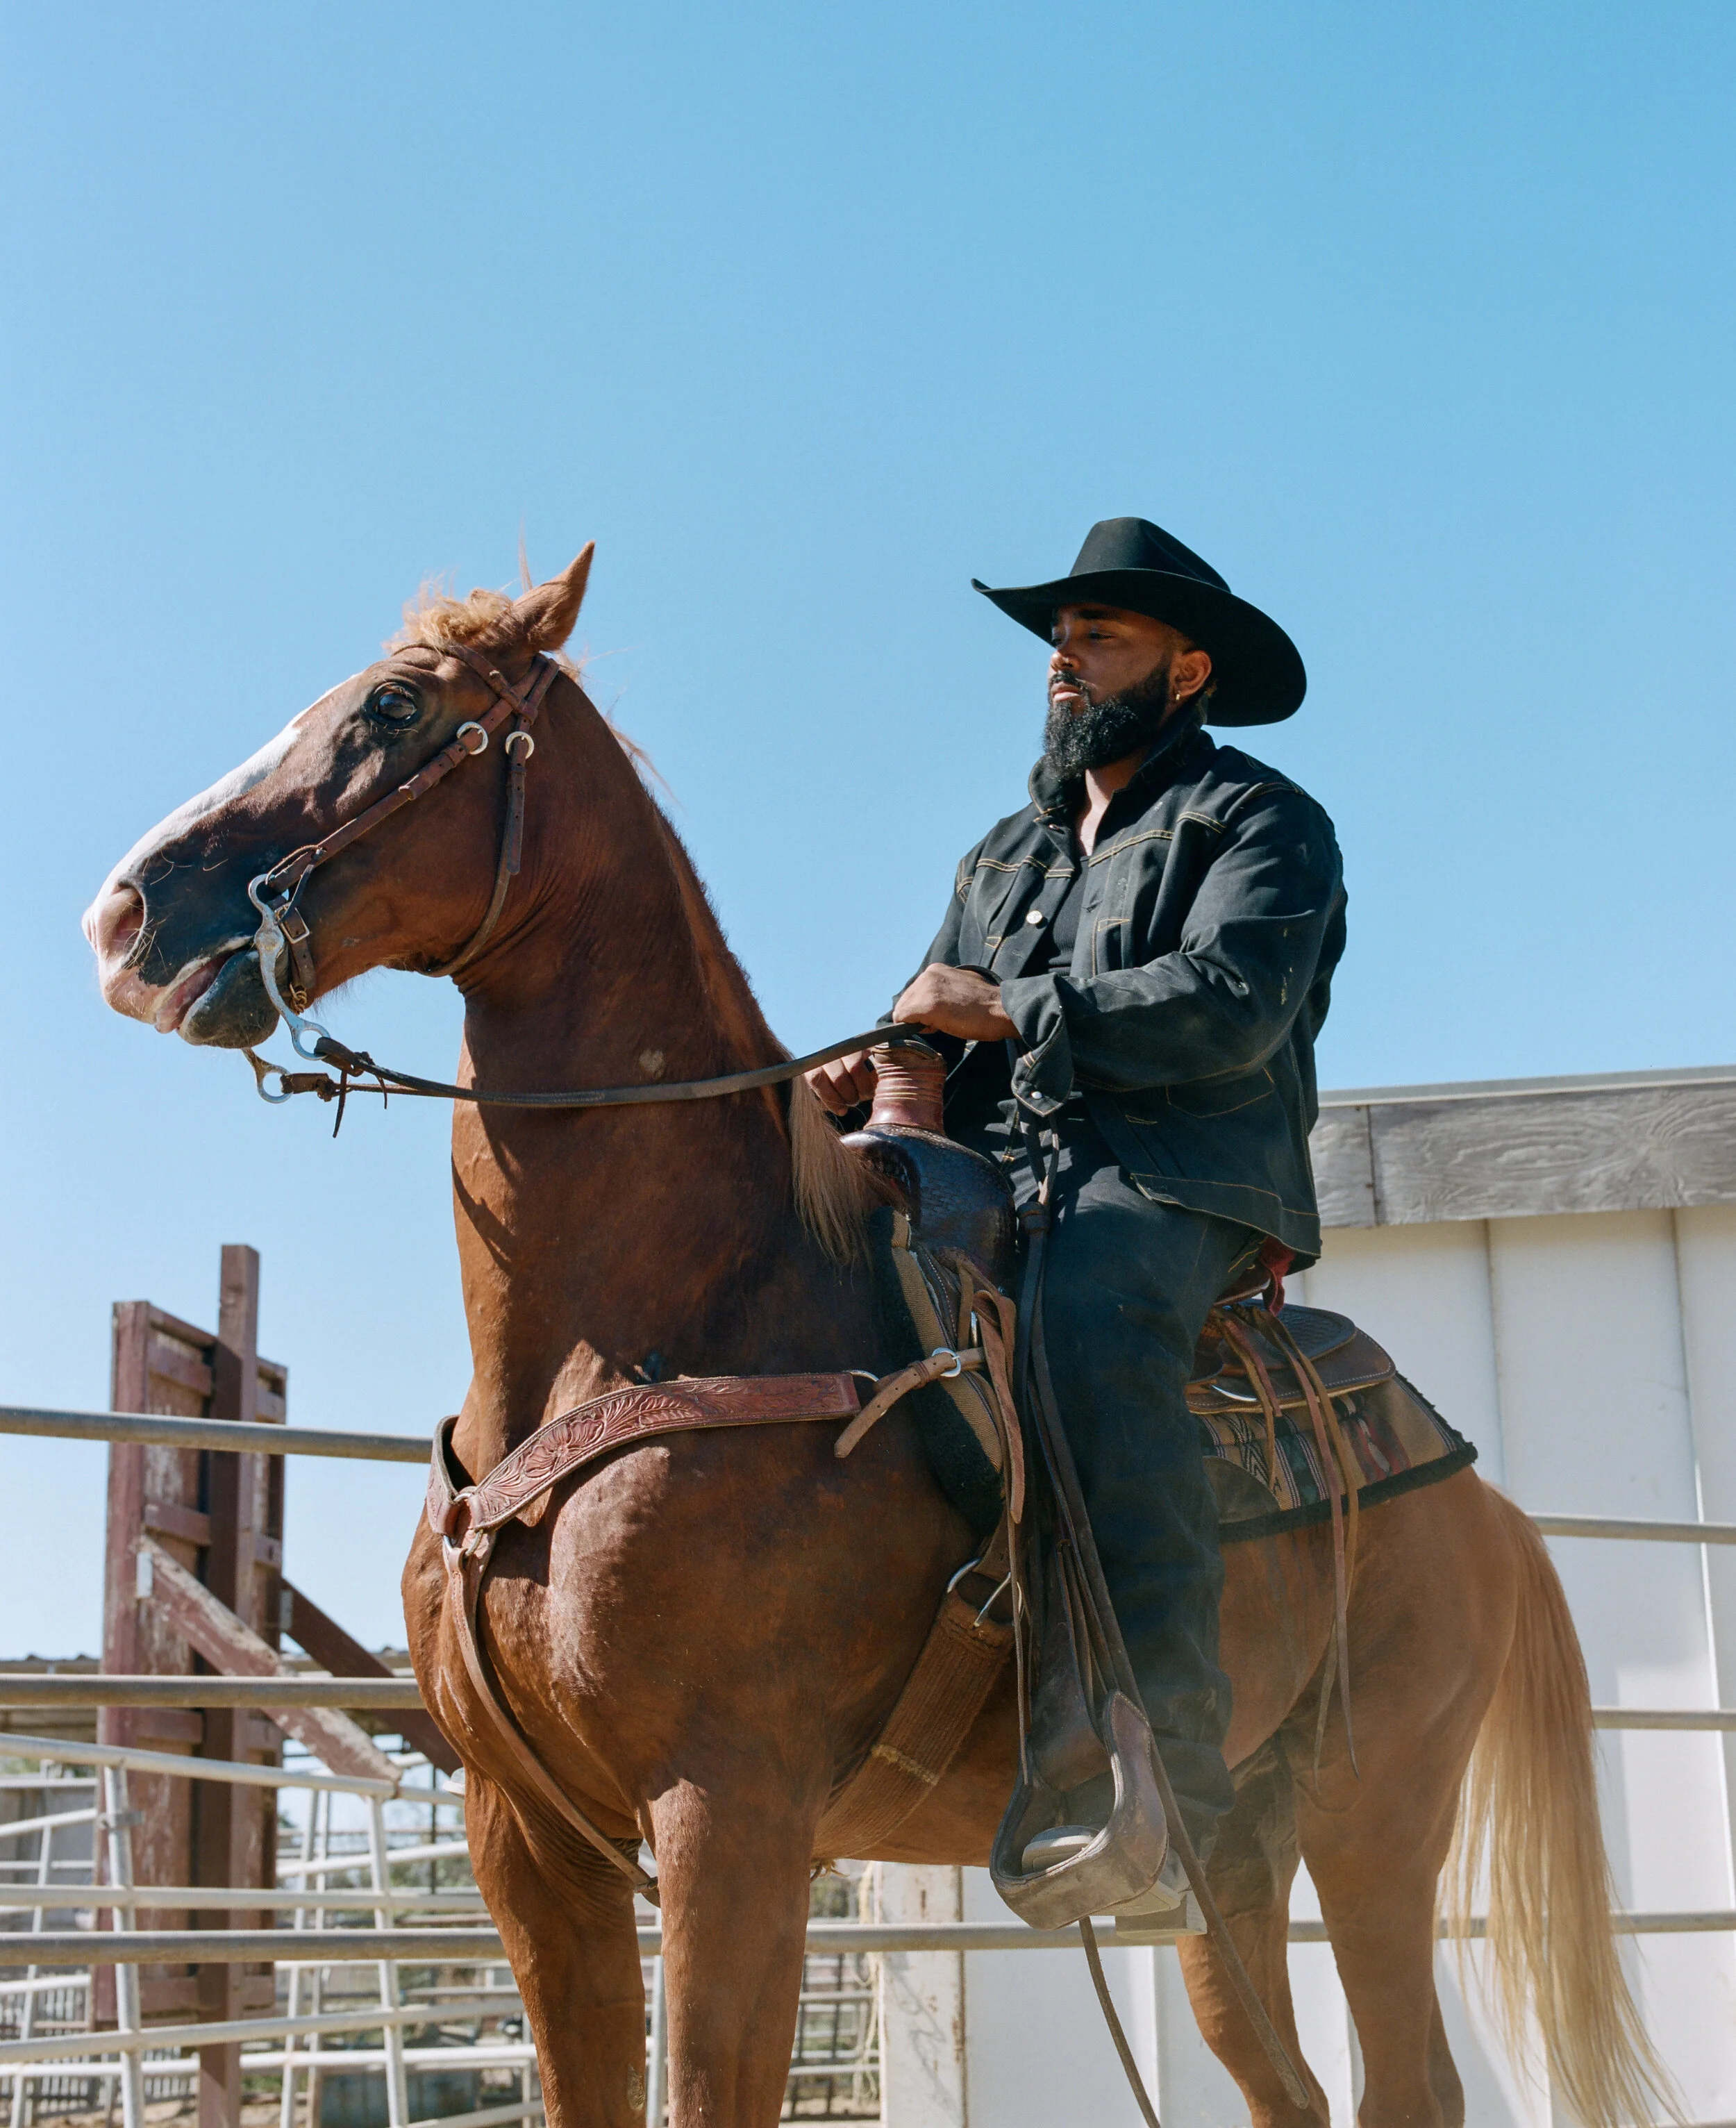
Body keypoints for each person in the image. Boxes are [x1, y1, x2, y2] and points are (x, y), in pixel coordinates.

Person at [808, 517, 1346, 1861]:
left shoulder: (1264, 822)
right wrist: (871, 1063)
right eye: (1059, 640)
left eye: (1099, 637)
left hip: (1181, 1177)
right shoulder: (1002, 854)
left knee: (1085, 1326)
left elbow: (1232, 1007)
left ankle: (1167, 1782)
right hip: (1006, 1174)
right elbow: (941, 1024)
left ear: (1188, 669)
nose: (1064, 661)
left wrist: (1006, 1004)